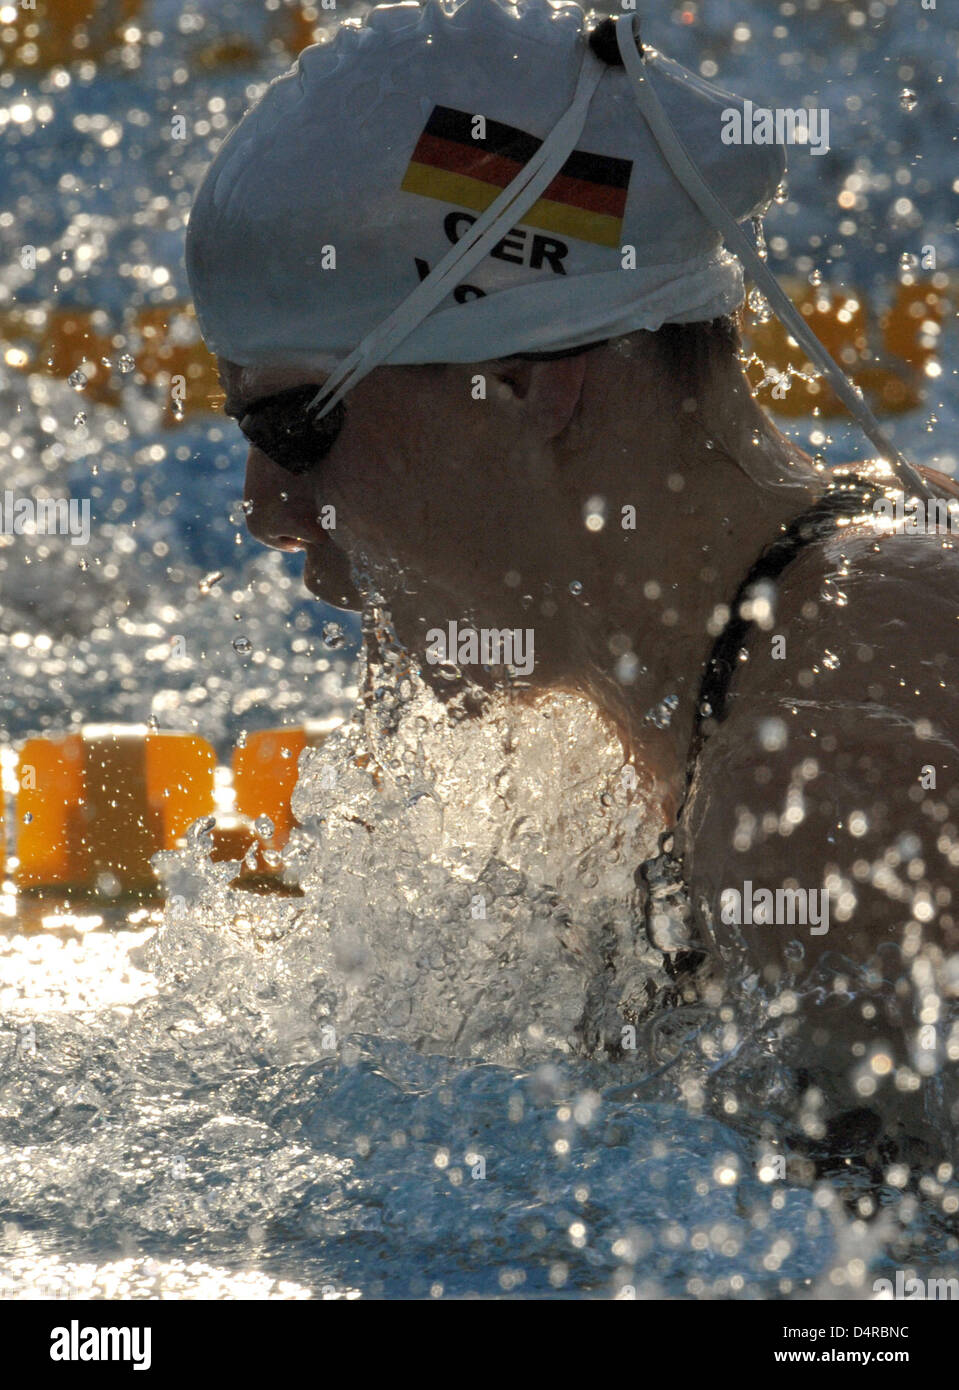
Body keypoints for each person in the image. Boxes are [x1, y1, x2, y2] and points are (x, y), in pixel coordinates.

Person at [187, 0, 959, 1146]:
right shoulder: (769, 641)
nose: (264, 510)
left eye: (297, 425)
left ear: (521, 379)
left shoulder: (814, 788)